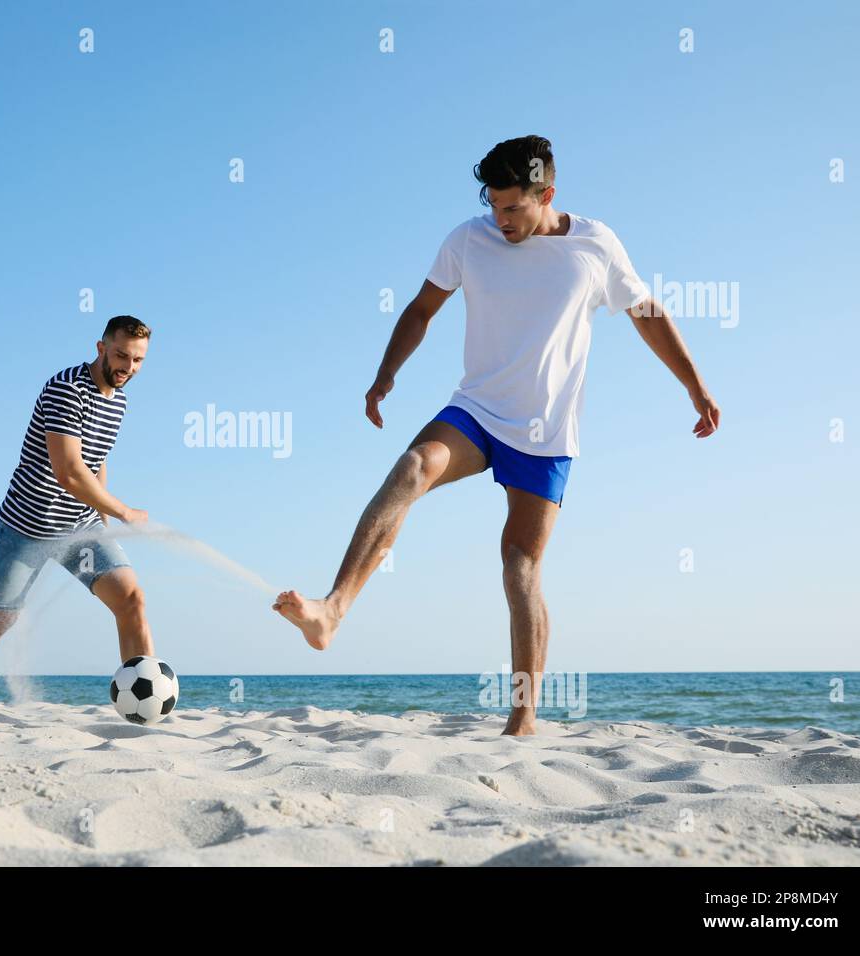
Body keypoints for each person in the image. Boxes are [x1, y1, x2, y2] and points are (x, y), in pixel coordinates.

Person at [272, 135, 721, 735]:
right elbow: (420, 309)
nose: (501, 220)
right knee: (412, 468)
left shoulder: (595, 245)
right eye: (494, 205)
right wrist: (385, 374)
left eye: (514, 207)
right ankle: (332, 610)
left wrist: (694, 386)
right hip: (478, 412)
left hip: (548, 434)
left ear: (547, 195)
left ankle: (523, 715)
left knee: (520, 568)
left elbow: (647, 313)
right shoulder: (469, 240)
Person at [0, 316, 153, 717]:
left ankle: (146, 704)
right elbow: (69, 471)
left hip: (80, 528)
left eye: (137, 360)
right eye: (121, 355)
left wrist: (102, 523)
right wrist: (122, 512)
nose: (128, 368)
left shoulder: (119, 400)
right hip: (25, 527)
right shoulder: (66, 389)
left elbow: (96, 461)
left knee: (132, 599)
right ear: (100, 348)